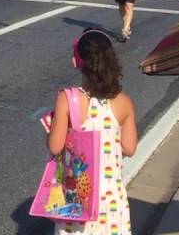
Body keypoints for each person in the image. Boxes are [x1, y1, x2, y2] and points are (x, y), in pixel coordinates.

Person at [45, 29, 137, 235]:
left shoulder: (68, 98)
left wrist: (53, 127)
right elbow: (129, 148)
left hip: (78, 199)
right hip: (112, 200)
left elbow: (55, 146)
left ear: (79, 62)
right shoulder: (124, 102)